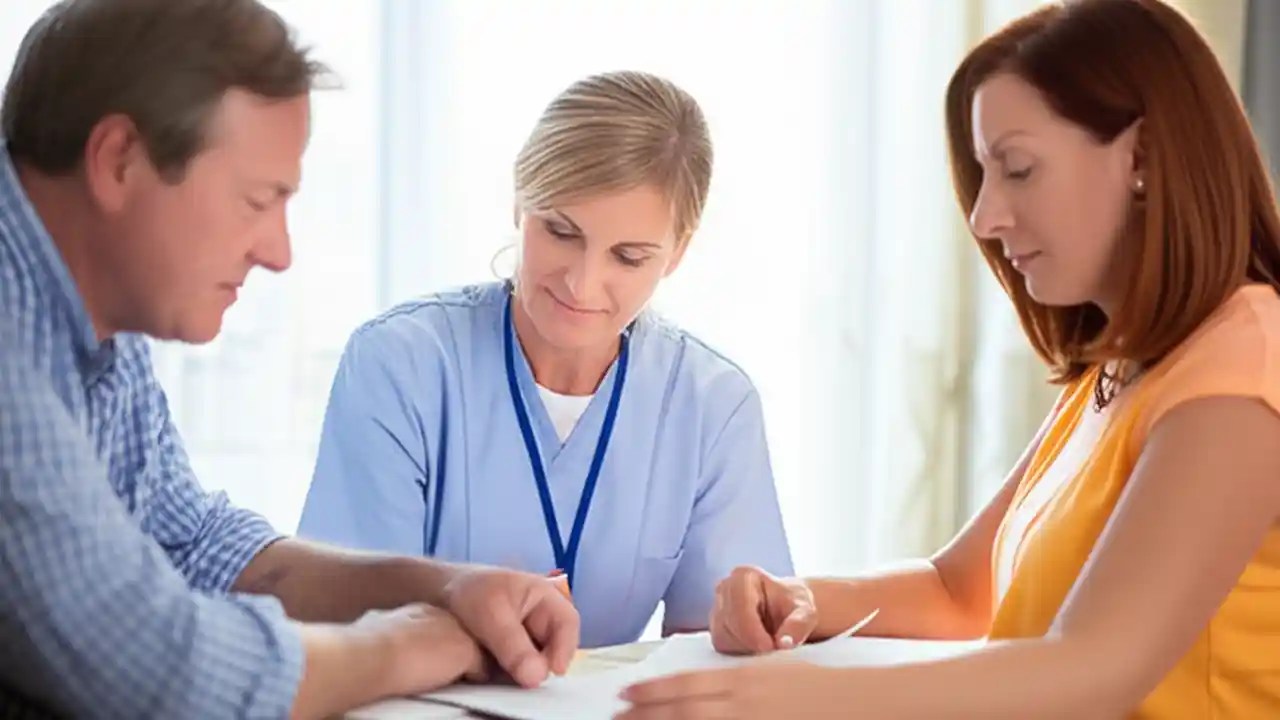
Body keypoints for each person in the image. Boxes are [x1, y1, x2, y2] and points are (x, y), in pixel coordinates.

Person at [618, 0, 1280, 717]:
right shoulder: (1121, 368)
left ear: (1142, 158)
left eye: (1018, 169)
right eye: (984, 173)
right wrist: (801, 600)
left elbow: (1096, 669)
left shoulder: (1241, 368)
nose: (984, 217)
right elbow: (960, 591)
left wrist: (804, 698)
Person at [0, 2, 578, 718]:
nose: (279, 252)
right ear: (119, 160)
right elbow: (152, 668)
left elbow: (196, 546)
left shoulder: (97, 323)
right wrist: (411, 644)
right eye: (257, 200)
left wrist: (446, 588)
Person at [297, 70, 794, 648]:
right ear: (519, 201)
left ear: (678, 251)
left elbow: (720, 648)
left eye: (628, 258)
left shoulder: (711, 406)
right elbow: (344, 627)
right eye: (560, 232)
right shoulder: (400, 366)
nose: (582, 284)